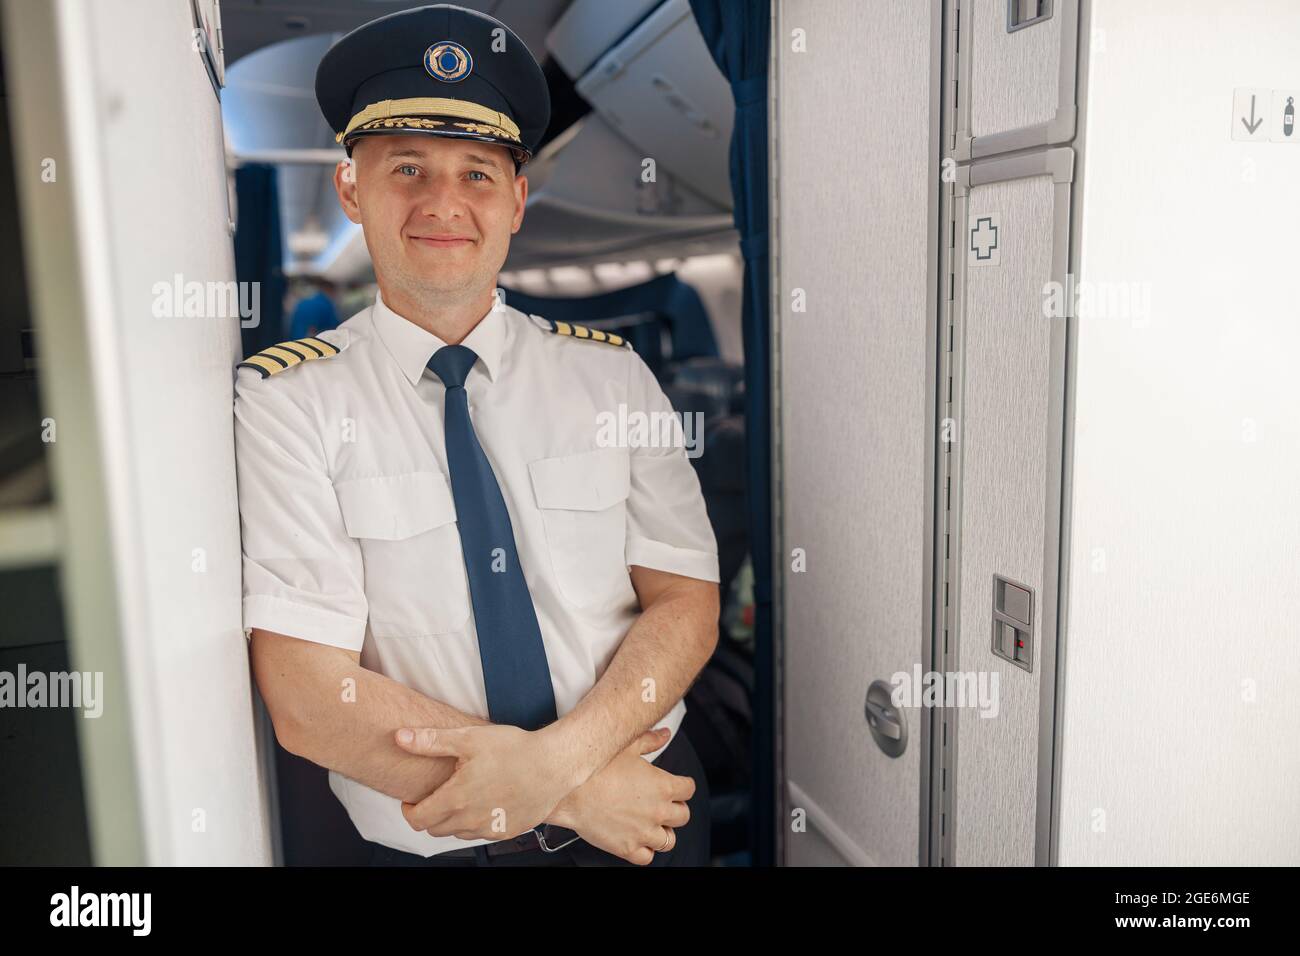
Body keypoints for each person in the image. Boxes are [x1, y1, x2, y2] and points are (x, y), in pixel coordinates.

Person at [232, 3, 721, 867]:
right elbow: (308, 694)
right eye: (408, 168)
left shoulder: (614, 379)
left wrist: (556, 765)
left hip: (644, 821)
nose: (443, 203)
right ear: (352, 188)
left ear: (518, 200)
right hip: (438, 846)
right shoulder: (284, 404)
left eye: (478, 174)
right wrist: (572, 791)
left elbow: (685, 602)